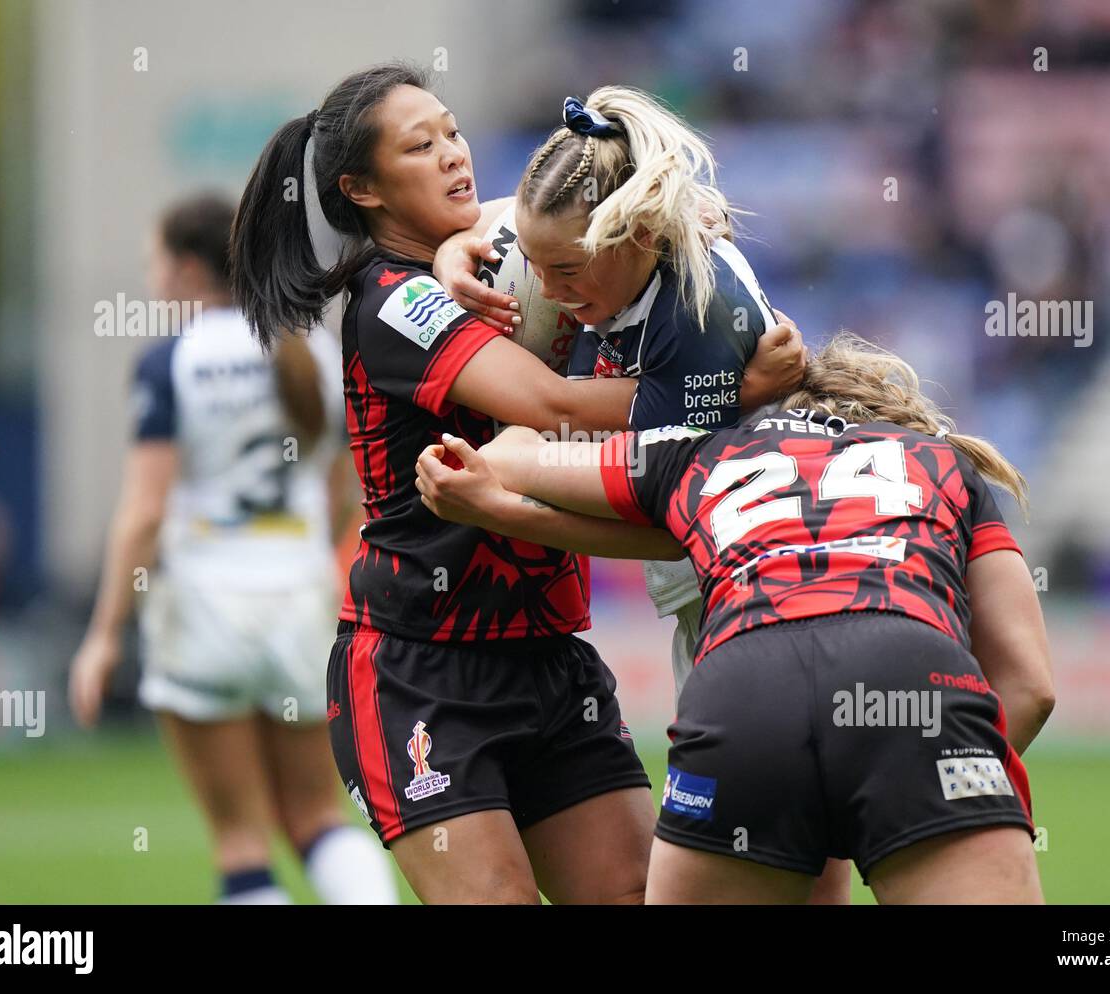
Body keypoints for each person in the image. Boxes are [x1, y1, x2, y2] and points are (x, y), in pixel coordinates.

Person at [230, 63, 803, 904]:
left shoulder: (515, 249)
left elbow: (584, 221)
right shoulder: (393, 300)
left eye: (454, 132)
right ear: (363, 188)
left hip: (548, 658)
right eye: (420, 147)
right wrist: (733, 391)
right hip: (419, 668)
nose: (455, 156)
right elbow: (549, 403)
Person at [414, 332, 1056, 904]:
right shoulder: (942, 461)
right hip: (911, 676)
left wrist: (507, 468)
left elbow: (515, 459)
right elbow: (1030, 685)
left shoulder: (702, 453)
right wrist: (911, 791)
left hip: (744, 687)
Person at [434, 86, 855, 903]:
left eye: (565, 271)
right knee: (789, 833)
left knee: (741, 856)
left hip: (748, 597)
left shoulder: (697, 314)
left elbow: (660, 520)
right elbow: (503, 221)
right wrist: (457, 256)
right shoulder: (601, 227)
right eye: (538, 263)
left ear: (636, 236)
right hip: (734, 582)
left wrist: (505, 483)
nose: (549, 290)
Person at [69, 194, 398, 904]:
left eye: (154, 262)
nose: (150, 278)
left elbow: (144, 513)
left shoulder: (171, 362)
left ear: (187, 269)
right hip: (302, 601)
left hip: (203, 605)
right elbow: (347, 485)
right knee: (316, 817)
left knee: (241, 838)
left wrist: (103, 635)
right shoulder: (309, 347)